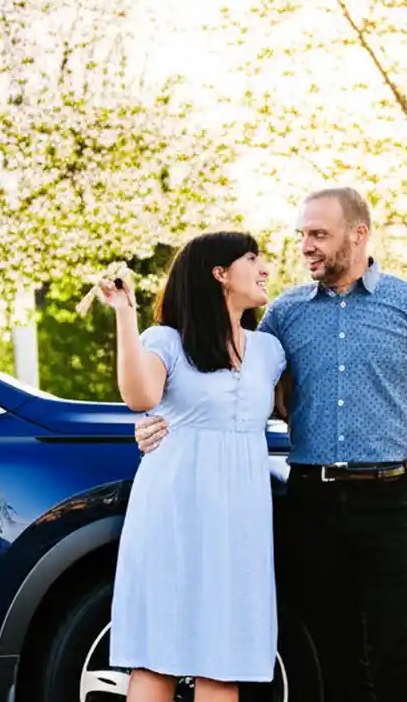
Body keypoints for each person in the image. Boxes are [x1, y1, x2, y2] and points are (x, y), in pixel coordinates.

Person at [134, 188, 407, 702]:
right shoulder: (284, 315)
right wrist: (159, 422)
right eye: (302, 235)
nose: (305, 246)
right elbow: (236, 389)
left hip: (389, 497)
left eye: (318, 234)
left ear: (358, 234)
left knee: (404, 649)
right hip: (312, 499)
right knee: (329, 651)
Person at [101, 230, 286, 702]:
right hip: (174, 510)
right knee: (158, 656)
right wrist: (125, 315)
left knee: (226, 660)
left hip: (241, 515)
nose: (265, 267)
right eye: (252, 258)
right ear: (220, 274)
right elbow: (140, 396)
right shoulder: (166, 340)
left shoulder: (269, 351)